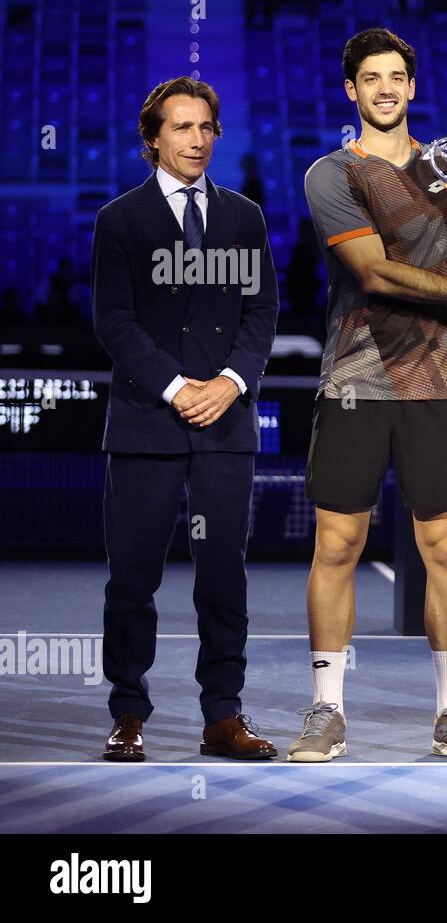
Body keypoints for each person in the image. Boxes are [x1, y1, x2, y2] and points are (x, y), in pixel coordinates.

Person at [291, 28, 447, 763]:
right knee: (337, 546)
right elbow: (374, 273)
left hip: (437, 385)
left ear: (413, 87)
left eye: (397, 76)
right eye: (372, 78)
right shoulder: (332, 174)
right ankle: (326, 711)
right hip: (355, 383)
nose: (386, 89)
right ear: (352, 92)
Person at [92, 76, 280, 761]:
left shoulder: (245, 218)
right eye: (182, 128)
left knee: (223, 575)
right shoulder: (120, 221)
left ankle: (222, 716)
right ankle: (127, 712)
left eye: (206, 127)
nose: (198, 139)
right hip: (147, 423)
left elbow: (261, 314)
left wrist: (231, 382)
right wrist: (177, 387)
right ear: (153, 139)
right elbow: (113, 320)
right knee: (133, 576)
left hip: (226, 424)